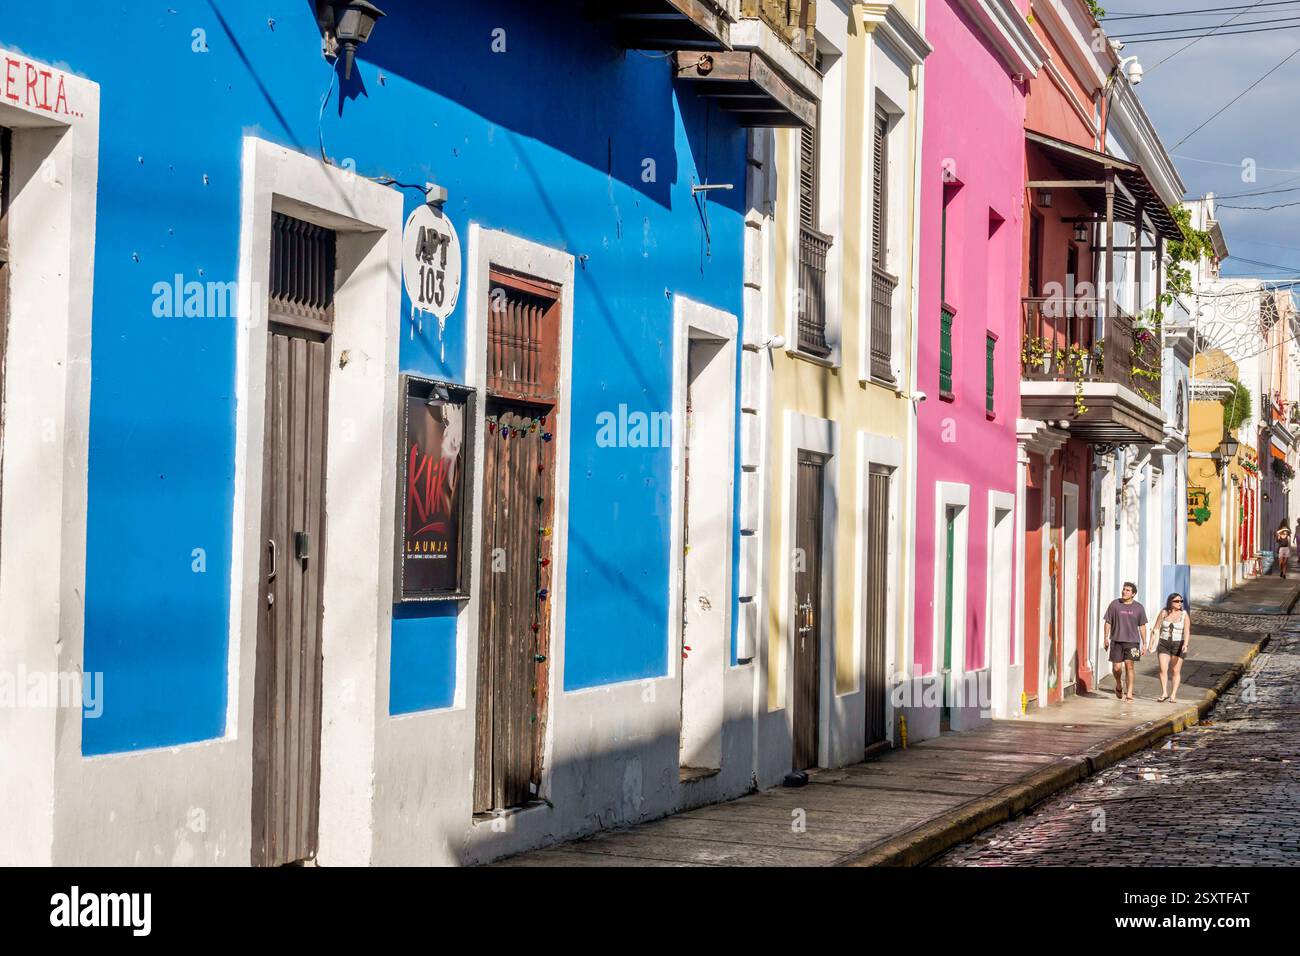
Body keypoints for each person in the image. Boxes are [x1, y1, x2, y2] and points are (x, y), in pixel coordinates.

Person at [1103, 582, 1148, 702]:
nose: (1124, 592)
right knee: (1117, 668)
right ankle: (1118, 684)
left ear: (1133, 594)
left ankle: (1129, 693)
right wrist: (1105, 638)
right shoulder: (1114, 604)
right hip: (1116, 640)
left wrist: (1144, 643)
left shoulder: (1139, 607)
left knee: (1129, 666)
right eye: (1123, 589)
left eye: (1128, 590)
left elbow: (1142, 626)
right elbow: (1108, 622)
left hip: (1132, 642)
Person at [1149, 592, 1191, 703]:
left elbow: (1186, 631)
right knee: (1163, 668)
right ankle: (1164, 693)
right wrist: (1150, 643)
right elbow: (1156, 628)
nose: (1179, 603)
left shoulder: (1184, 615)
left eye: (1181, 601)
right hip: (1164, 643)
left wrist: (1185, 645)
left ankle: (1173, 695)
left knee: (1175, 670)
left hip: (1178, 645)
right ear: (1170, 602)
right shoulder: (1164, 613)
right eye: (1177, 601)